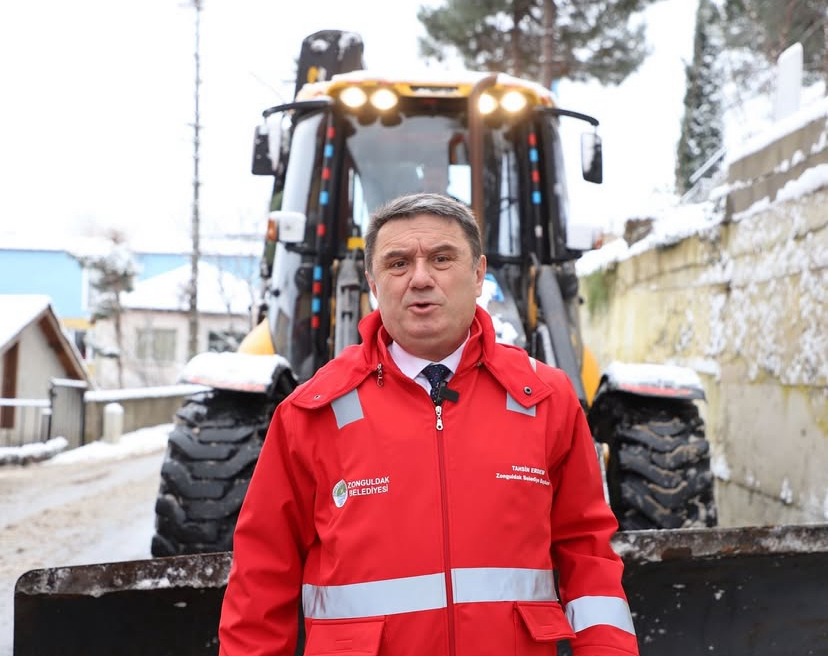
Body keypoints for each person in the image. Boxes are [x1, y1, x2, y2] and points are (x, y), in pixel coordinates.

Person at [218, 193, 640, 656]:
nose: (420, 278)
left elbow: (588, 558)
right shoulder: (310, 414)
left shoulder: (548, 400)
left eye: (442, 258)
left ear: (478, 274)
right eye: (397, 263)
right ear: (372, 284)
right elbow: (261, 577)